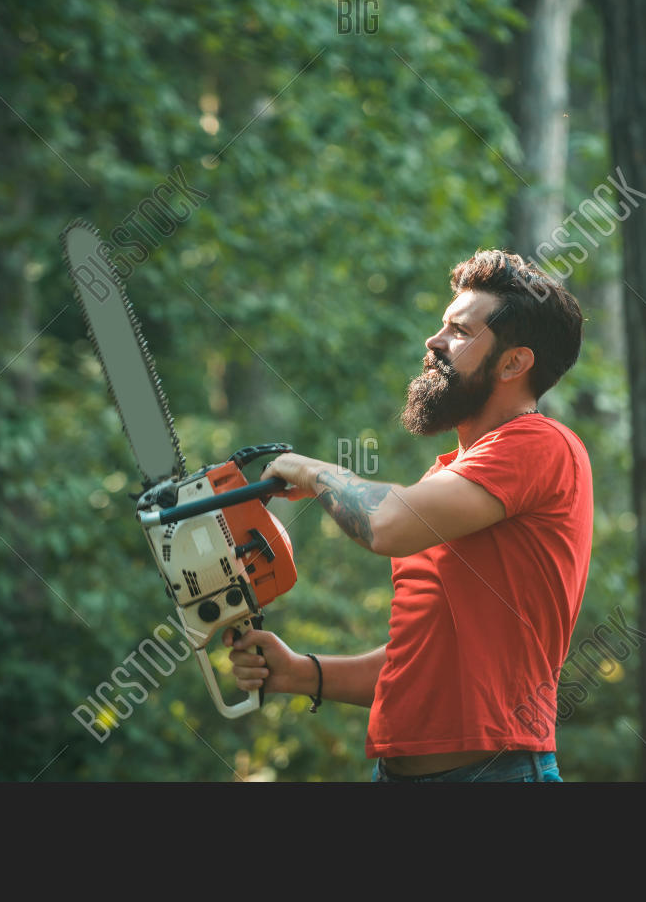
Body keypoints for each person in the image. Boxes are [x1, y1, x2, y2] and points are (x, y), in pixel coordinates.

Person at [224, 248, 593, 782]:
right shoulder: (445, 480)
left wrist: (309, 471)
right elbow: (418, 664)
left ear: (514, 363)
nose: (434, 341)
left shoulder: (540, 444)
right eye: (442, 324)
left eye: (460, 332)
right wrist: (301, 673)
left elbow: (387, 525)